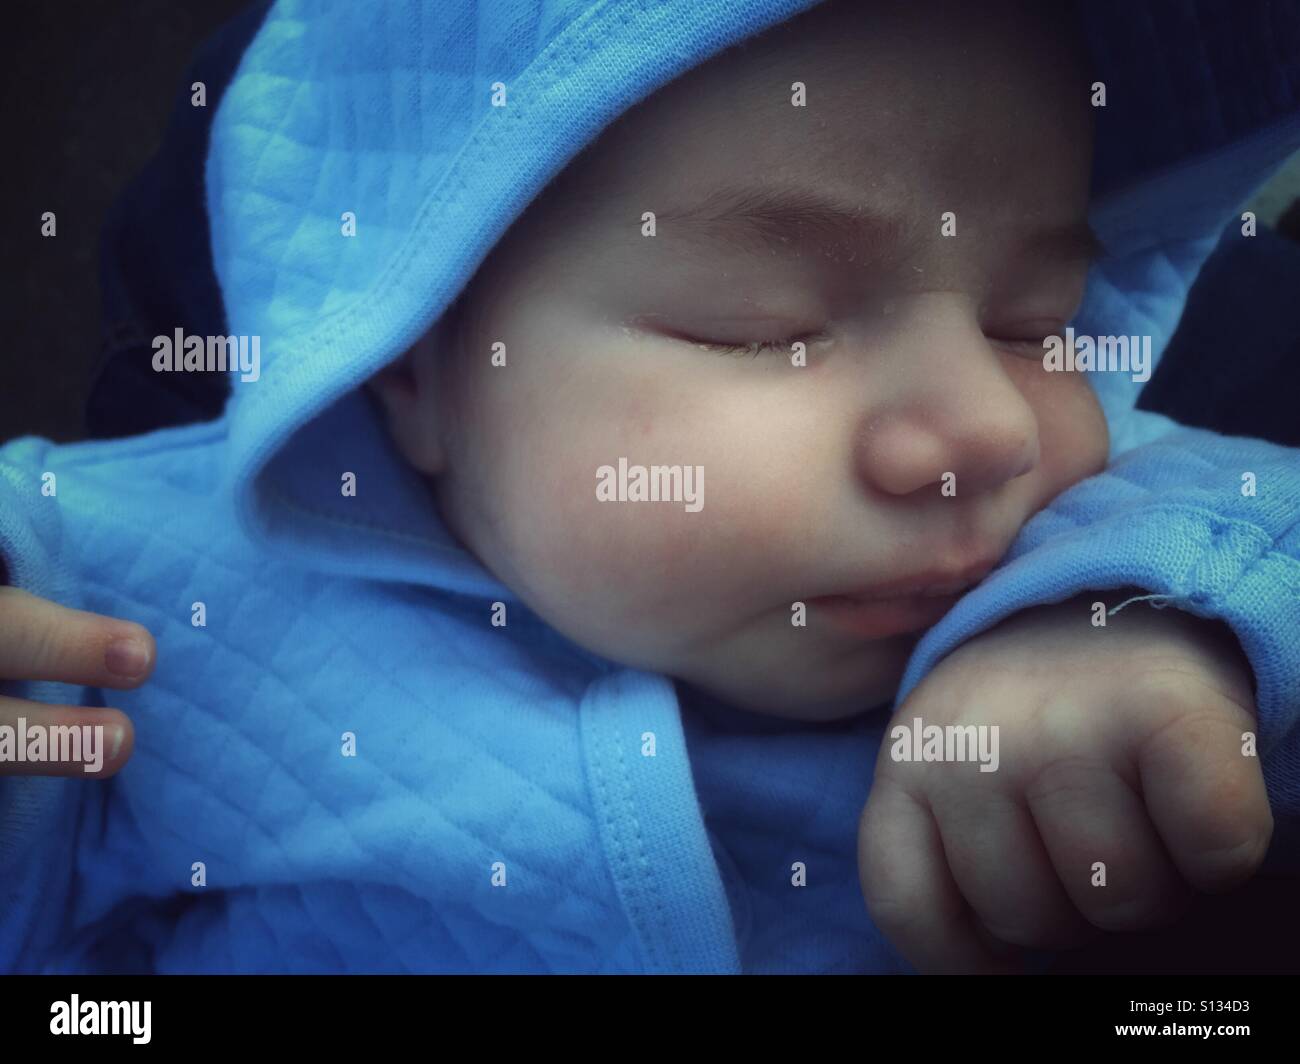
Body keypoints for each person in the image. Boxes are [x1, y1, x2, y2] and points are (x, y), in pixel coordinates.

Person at [1, 0, 1298, 973]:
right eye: (764, 327)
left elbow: (1253, 508)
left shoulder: (1087, 531)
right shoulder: (121, 612)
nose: (987, 428)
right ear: (414, 369)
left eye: (1036, 319)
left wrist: (1147, 623)